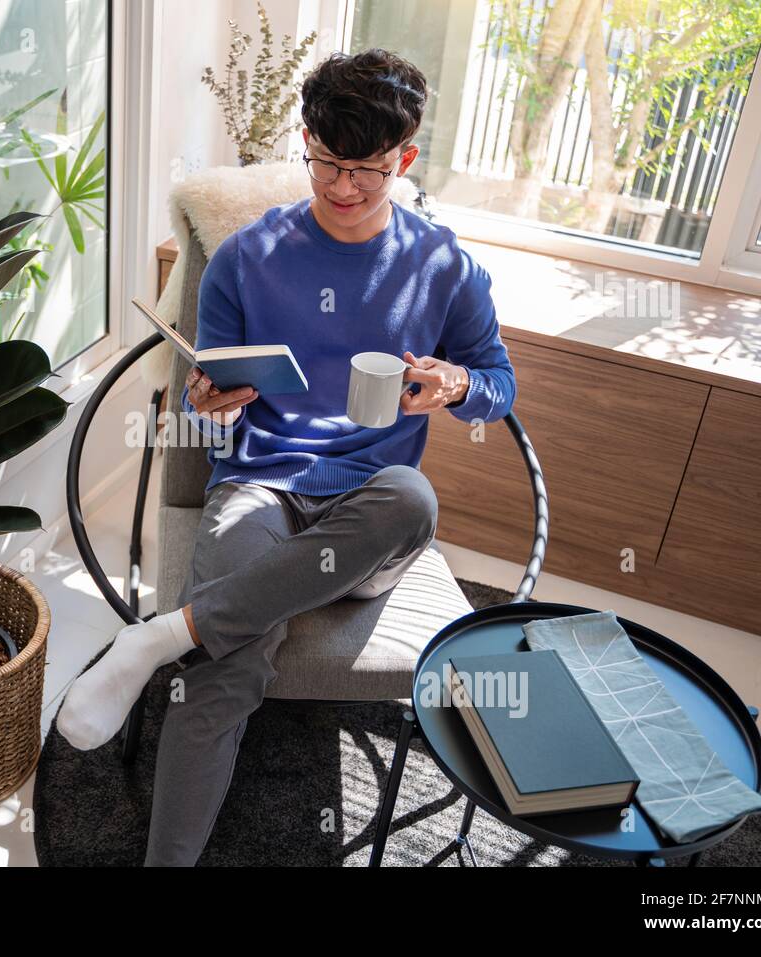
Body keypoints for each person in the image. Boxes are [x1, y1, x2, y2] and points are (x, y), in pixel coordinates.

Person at [57, 49, 517, 866]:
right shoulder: (246, 256)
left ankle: (161, 635)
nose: (343, 188)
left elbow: (499, 386)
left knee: (413, 496)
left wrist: (454, 385)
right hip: (262, 486)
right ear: (306, 141)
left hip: (373, 510)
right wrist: (209, 399)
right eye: (327, 163)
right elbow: (213, 389)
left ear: (402, 160)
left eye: (367, 171)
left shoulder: (445, 265)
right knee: (224, 673)